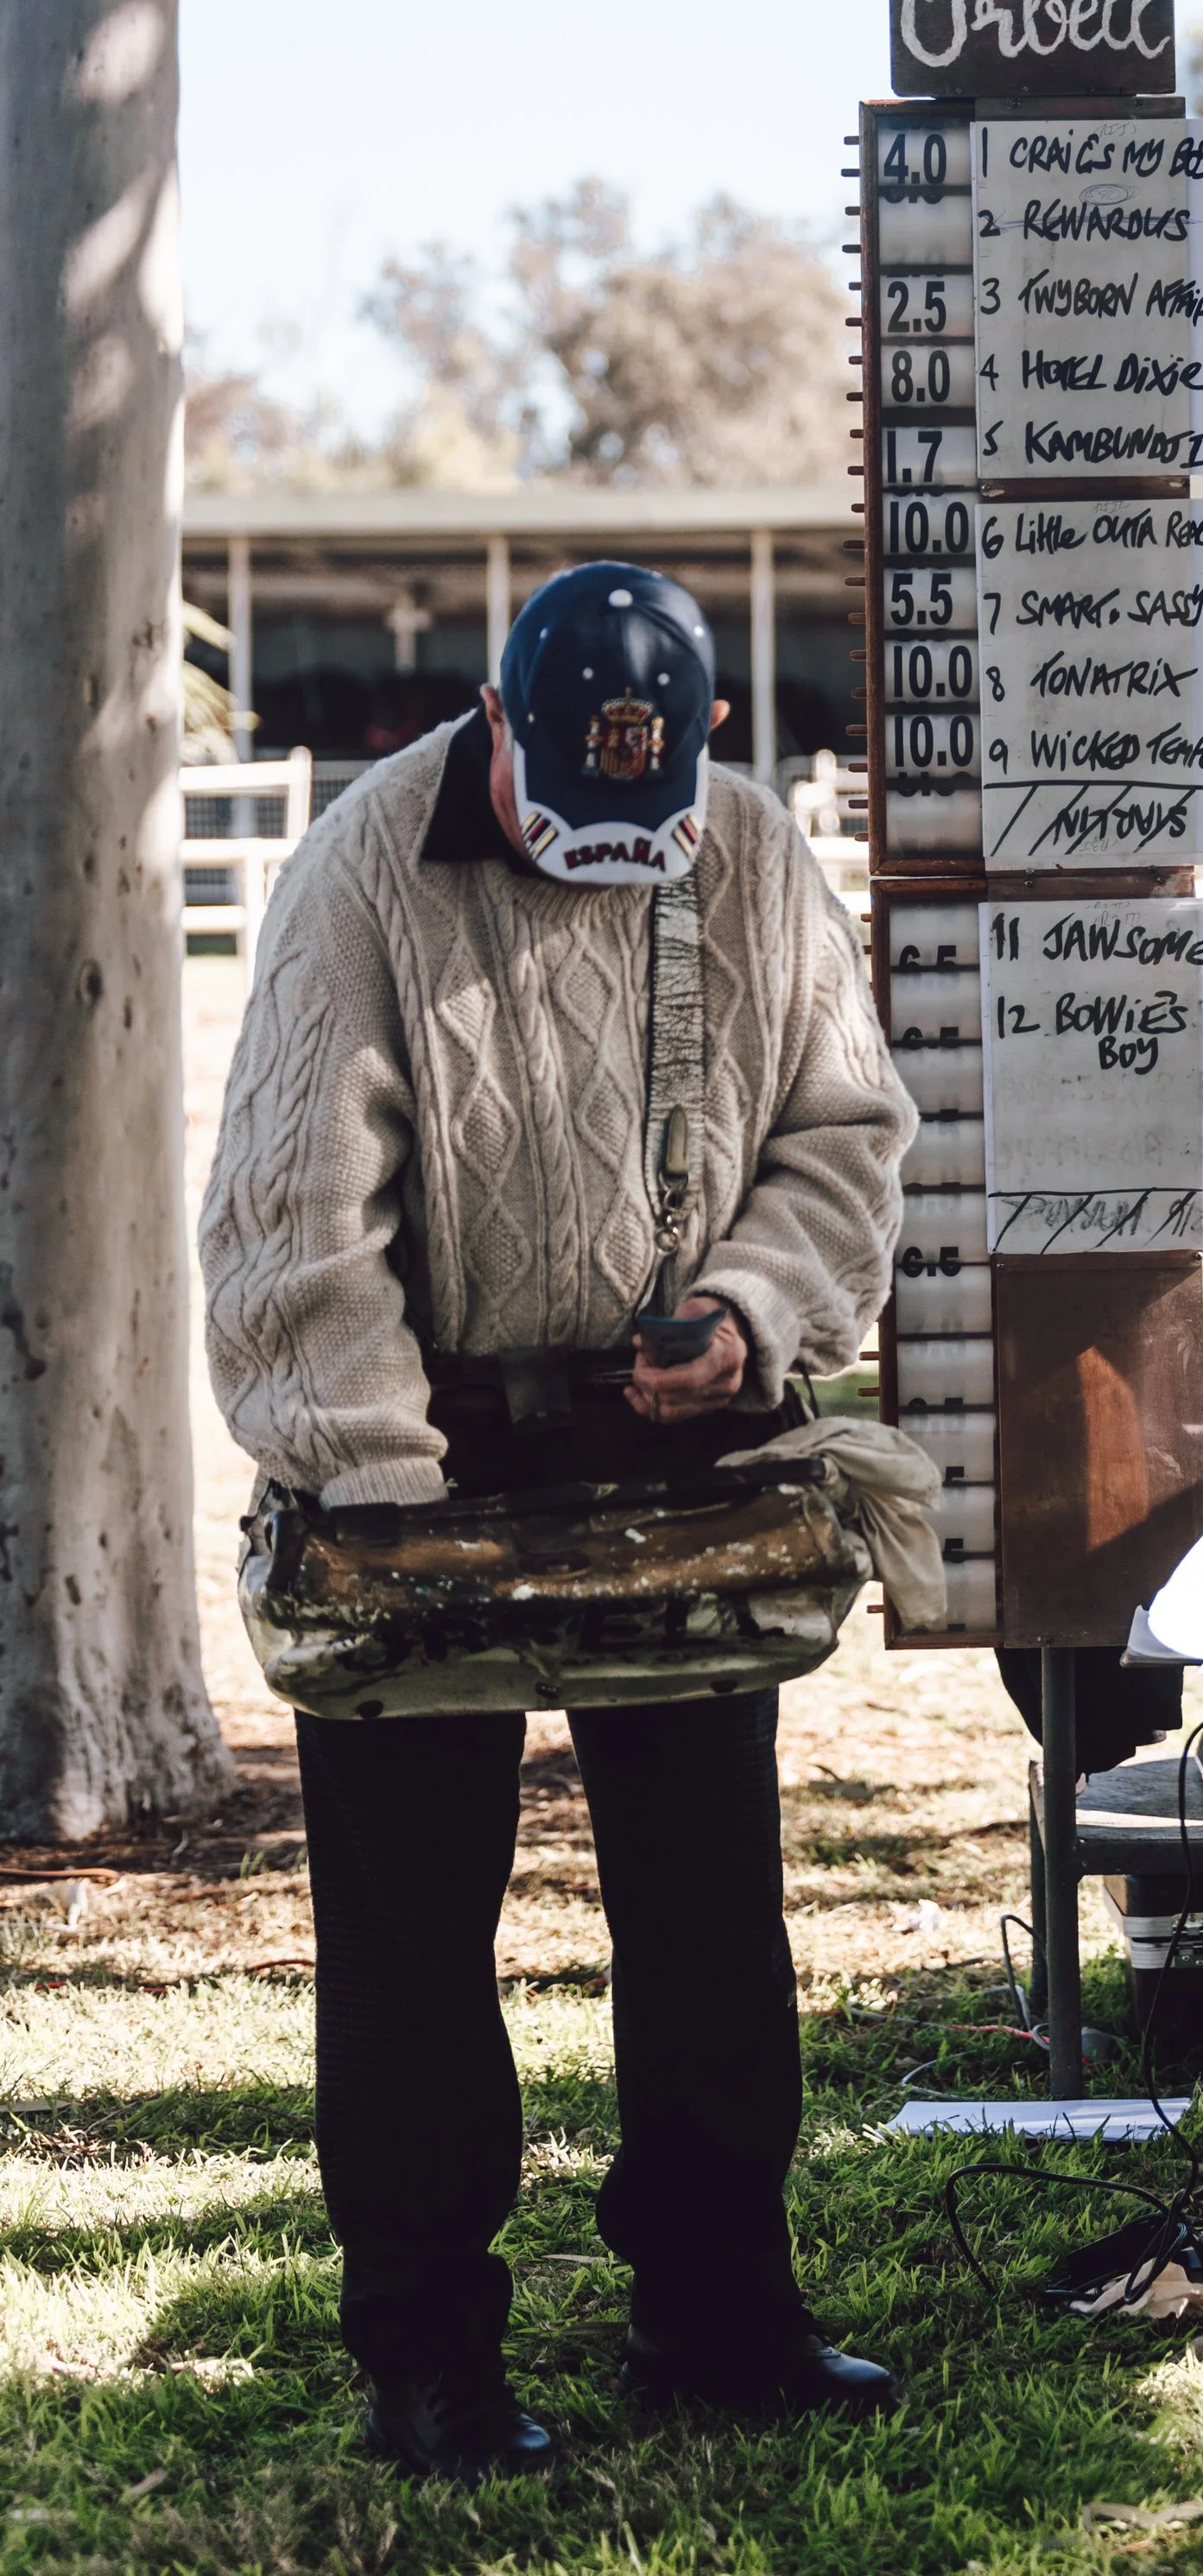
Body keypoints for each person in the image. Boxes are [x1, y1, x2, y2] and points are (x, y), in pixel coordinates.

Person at [200, 563, 915, 2478]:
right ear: (492, 728)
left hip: (680, 1464)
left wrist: (753, 1311)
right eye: (560, 812)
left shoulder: (755, 857)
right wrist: (373, 1485)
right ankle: (428, 2350)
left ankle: (721, 2308)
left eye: (646, 827)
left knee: (707, 1914)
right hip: (417, 1462)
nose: (605, 856)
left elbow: (844, 1134)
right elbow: (289, 1209)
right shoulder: (362, 868)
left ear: (710, 753)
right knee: (415, 1937)